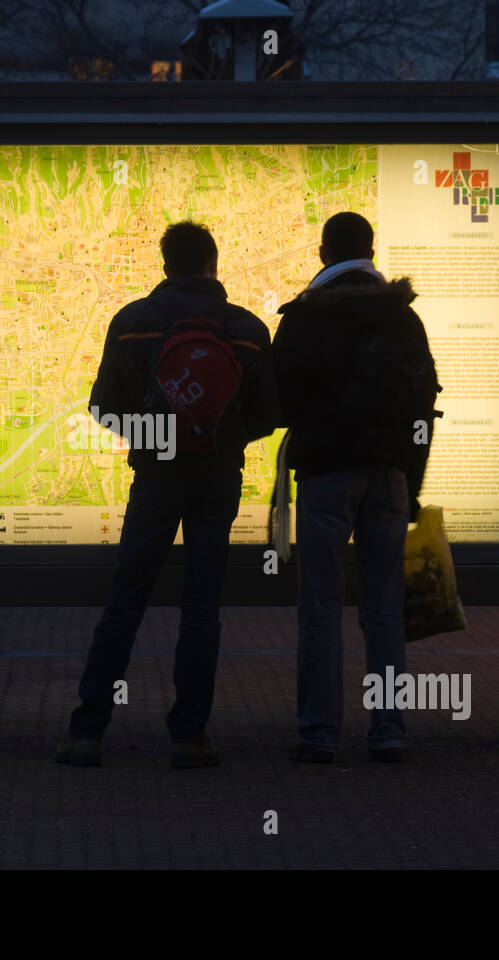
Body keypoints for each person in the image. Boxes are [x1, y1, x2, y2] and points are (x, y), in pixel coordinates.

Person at [56, 221, 278, 770]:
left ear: (165, 264)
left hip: (155, 480)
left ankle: (87, 733)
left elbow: (103, 407)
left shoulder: (133, 322)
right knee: (201, 607)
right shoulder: (246, 328)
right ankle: (189, 737)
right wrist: (217, 437)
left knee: (125, 601)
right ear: (212, 264)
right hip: (217, 480)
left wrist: (158, 437)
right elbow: (268, 414)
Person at [271, 212, 439, 765]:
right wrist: (410, 483)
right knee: (384, 608)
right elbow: (424, 405)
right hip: (389, 474)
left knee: (320, 607)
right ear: (371, 250)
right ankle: (388, 732)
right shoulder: (403, 318)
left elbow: (280, 402)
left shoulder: (305, 319)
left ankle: (319, 733)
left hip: (325, 474)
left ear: (323, 253)